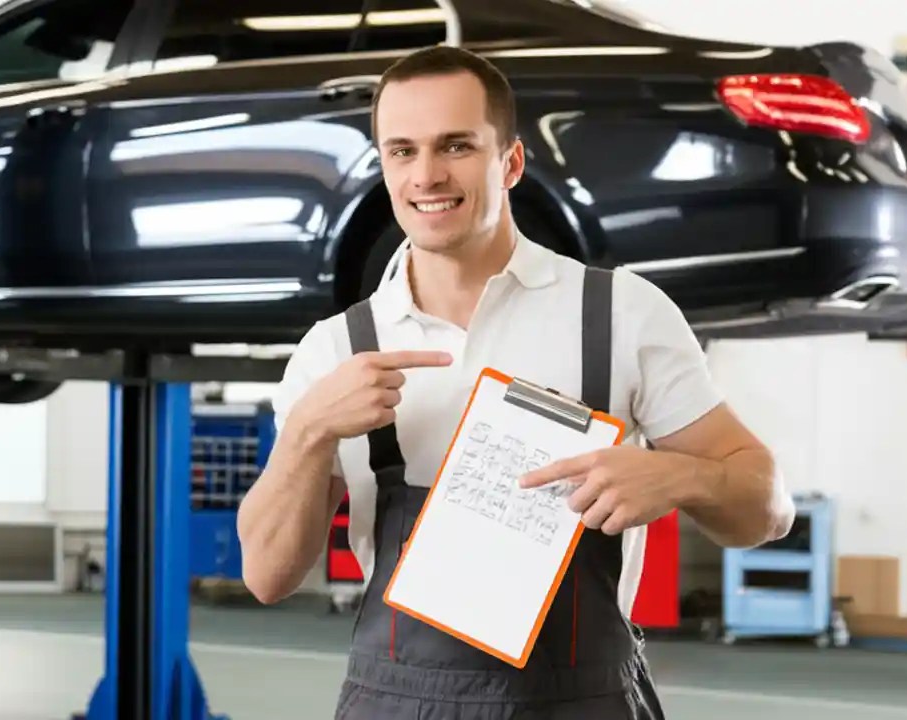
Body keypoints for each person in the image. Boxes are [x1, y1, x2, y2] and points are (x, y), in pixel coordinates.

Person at [236, 45, 794, 718]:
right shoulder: (336, 349)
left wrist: (682, 477)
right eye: (402, 151)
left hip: (583, 703)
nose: (427, 175)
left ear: (511, 162)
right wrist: (307, 432)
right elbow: (266, 577)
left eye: (456, 146)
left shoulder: (618, 314)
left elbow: (769, 509)